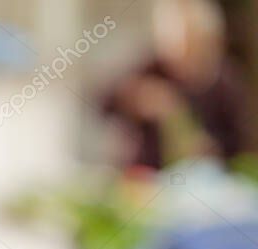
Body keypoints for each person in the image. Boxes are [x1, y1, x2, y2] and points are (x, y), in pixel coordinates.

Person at [101, 0, 247, 170]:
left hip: (201, 181)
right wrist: (139, 98)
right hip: (146, 176)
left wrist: (211, 150)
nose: (184, 55)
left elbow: (239, 144)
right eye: (178, 45)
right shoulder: (151, 69)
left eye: (193, 45)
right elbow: (104, 103)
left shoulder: (224, 84)